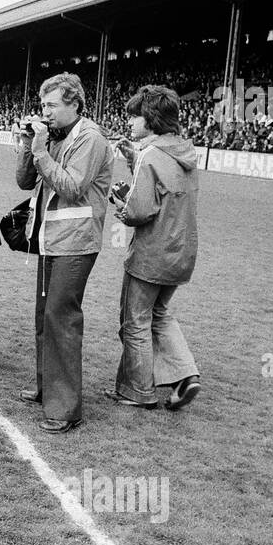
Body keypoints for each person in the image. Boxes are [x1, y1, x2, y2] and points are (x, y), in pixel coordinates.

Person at [16, 72, 112, 433]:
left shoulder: (91, 139)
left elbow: (72, 187)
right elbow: (25, 182)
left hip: (76, 241)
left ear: (74, 103)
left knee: (62, 318)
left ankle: (65, 408)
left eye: (52, 105)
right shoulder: (54, 136)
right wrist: (28, 145)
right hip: (50, 240)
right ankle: (46, 387)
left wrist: (40, 150)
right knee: (45, 316)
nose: (46, 112)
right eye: (43, 105)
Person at [103, 85, 201, 412]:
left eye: (136, 116)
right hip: (182, 252)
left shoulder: (151, 155)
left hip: (152, 254)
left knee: (134, 322)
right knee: (159, 315)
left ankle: (139, 391)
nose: (130, 122)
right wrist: (134, 160)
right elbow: (164, 192)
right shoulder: (184, 153)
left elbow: (139, 211)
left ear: (152, 119)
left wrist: (120, 203)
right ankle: (187, 375)